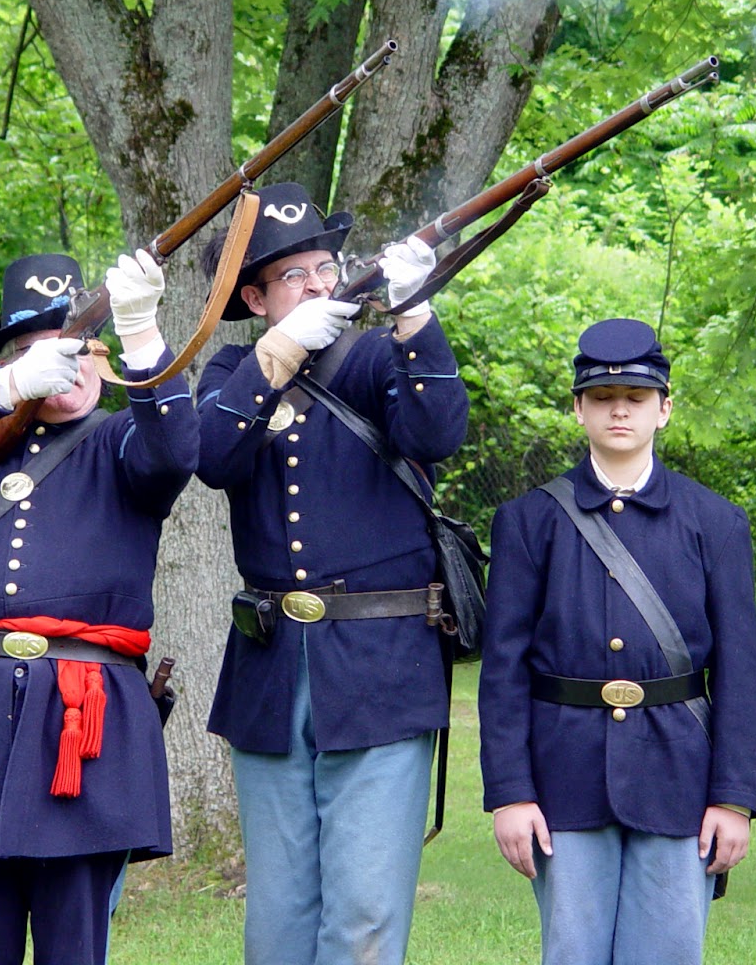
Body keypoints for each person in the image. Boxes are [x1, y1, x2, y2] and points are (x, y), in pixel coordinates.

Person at [0, 249, 198, 965]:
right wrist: (6, 385)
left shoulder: (122, 442)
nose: (68, 365)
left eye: (80, 347)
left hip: (84, 726)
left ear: (102, 357)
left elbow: (176, 450)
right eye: (39, 351)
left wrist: (145, 333)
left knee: (72, 948)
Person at [195, 181, 470, 965]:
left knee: (364, 922)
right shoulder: (233, 371)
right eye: (295, 276)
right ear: (255, 296)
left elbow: (438, 430)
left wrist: (415, 311)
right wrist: (278, 355)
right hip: (272, 672)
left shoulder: (380, 358)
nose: (320, 284)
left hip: (381, 666)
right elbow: (213, 457)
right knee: (278, 921)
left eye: (327, 266)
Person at [477, 317, 756, 965]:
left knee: (666, 953)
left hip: (679, 778)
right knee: (572, 952)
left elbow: (741, 673)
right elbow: (503, 672)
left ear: (664, 408)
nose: (619, 412)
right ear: (579, 408)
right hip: (563, 778)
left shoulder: (715, 523)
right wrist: (511, 793)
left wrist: (733, 798)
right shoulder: (528, 522)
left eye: (635, 399)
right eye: (603, 399)